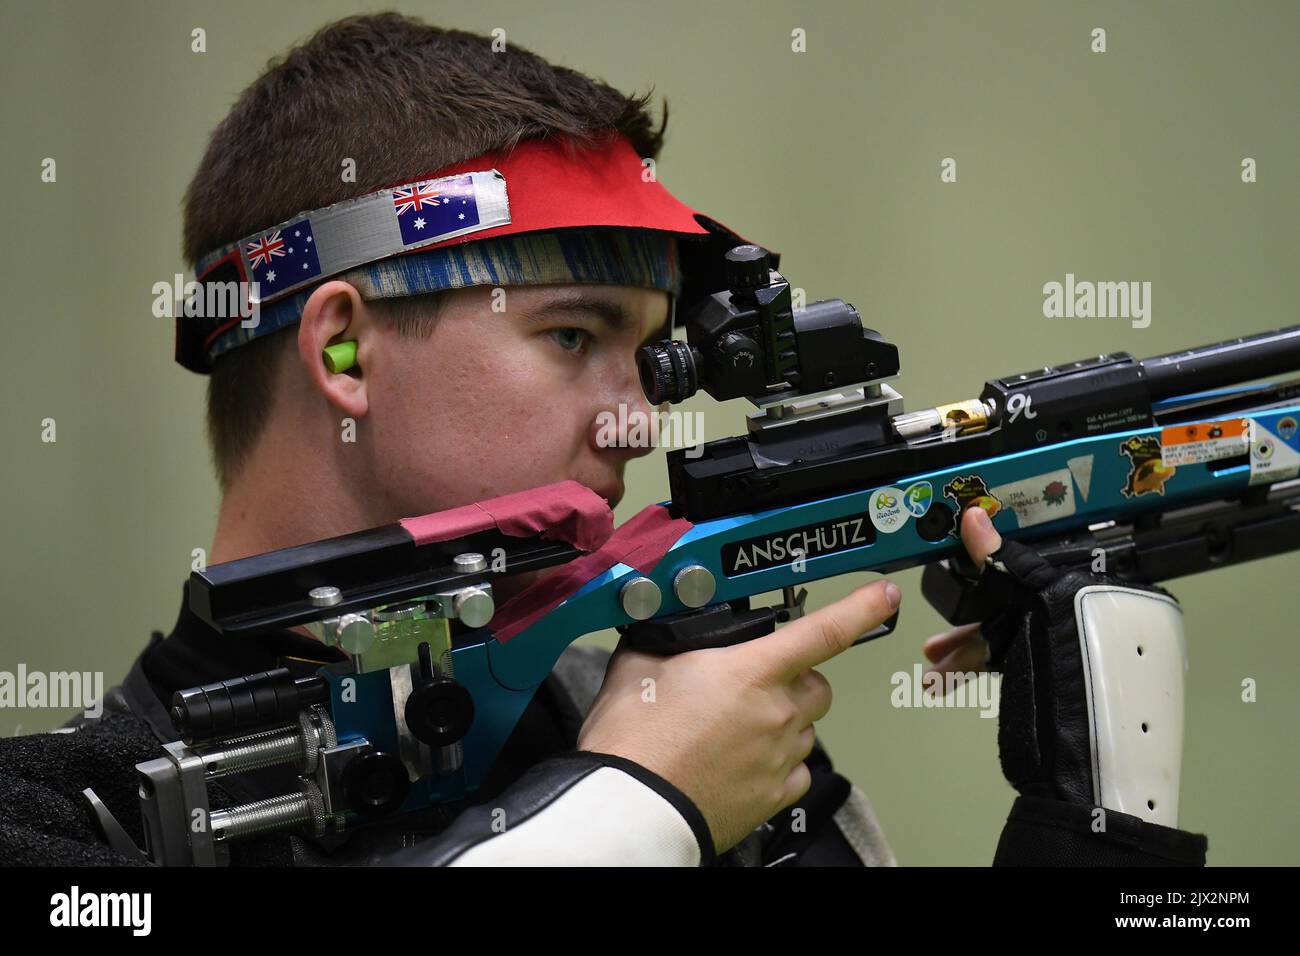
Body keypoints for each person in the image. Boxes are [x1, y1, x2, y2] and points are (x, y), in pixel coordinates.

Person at [0, 12, 1209, 868]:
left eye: (650, 351)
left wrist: (1096, 816)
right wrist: (633, 809)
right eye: (571, 335)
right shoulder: (63, 818)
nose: (636, 414)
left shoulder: (655, 697)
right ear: (344, 350)